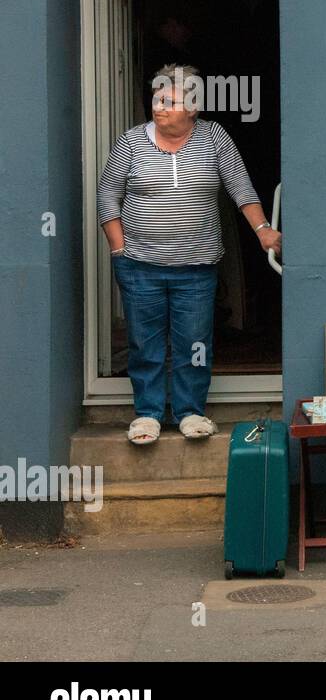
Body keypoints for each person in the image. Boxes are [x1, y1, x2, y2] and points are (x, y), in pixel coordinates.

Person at [96, 65, 282, 445]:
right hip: (139, 265)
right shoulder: (131, 142)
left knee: (194, 343)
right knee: (145, 343)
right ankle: (147, 414)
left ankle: (190, 412)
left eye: (169, 100)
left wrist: (263, 230)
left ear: (193, 107)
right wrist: (118, 248)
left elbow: (241, 188)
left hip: (197, 267)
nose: (159, 107)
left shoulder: (214, 138)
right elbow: (107, 195)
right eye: (156, 99)